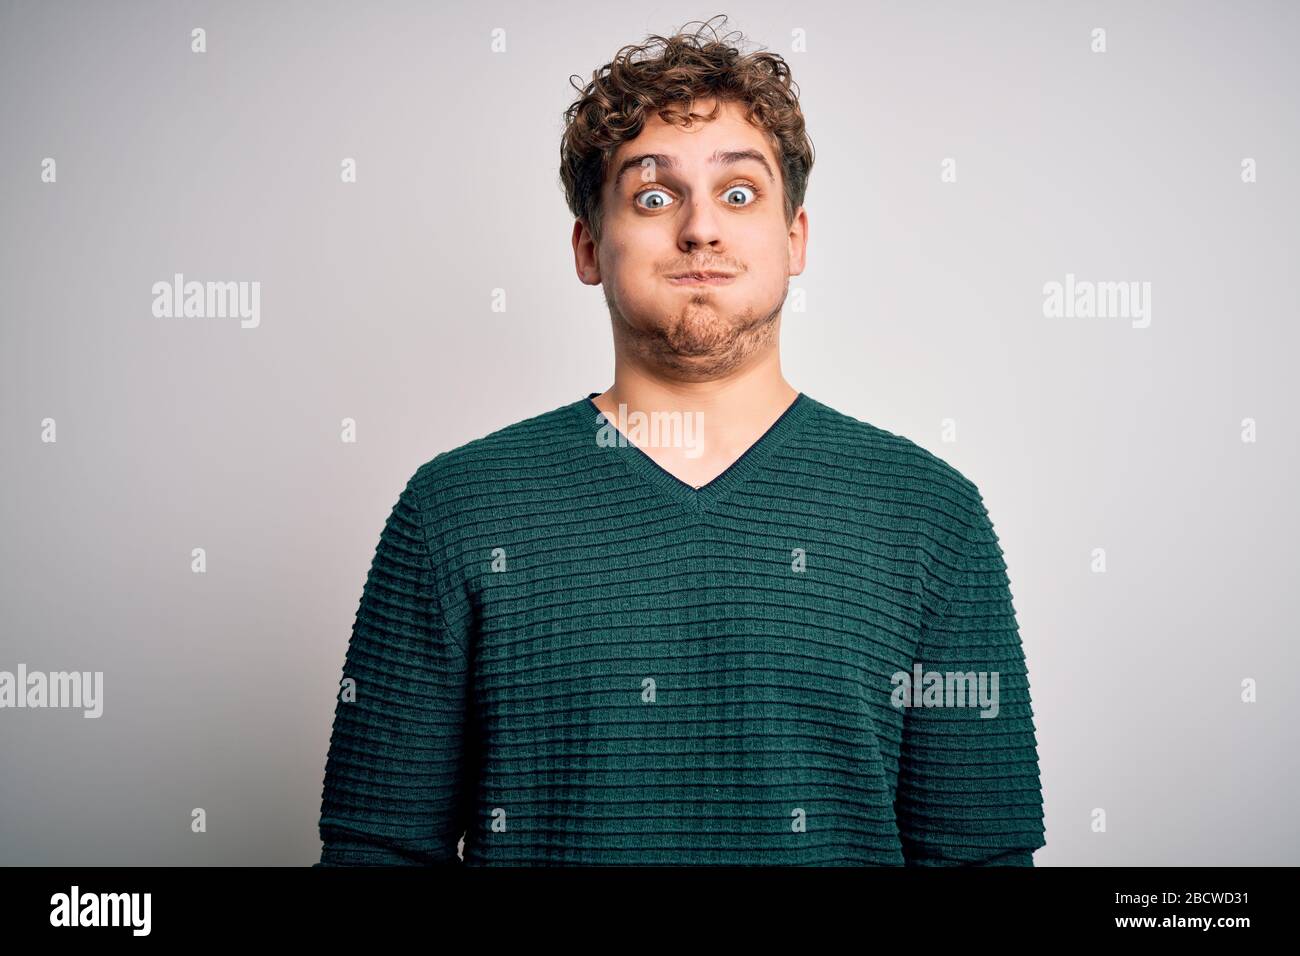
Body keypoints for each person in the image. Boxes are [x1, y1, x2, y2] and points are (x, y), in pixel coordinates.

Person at [315, 15, 1045, 866]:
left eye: (739, 194)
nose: (701, 228)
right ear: (590, 247)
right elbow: (378, 849)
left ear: (794, 239)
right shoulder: (455, 510)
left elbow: (981, 856)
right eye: (653, 197)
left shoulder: (931, 516)